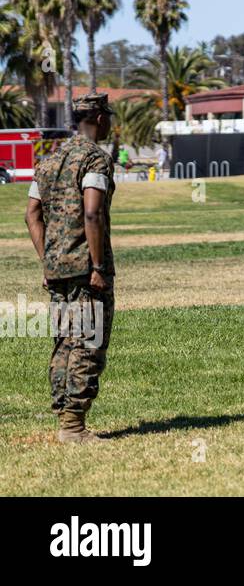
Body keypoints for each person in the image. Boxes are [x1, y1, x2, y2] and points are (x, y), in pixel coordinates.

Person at [24, 93, 116, 443]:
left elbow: (31, 214)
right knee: (88, 341)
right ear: (98, 118)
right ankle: (73, 426)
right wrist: (96, 265)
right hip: (85, 269)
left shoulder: (48, 161)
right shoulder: (95, 159)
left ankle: (65, 417)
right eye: (107, 116)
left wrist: (47, 259)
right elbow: (91, 212)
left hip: (58, 270)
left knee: (65, 341)